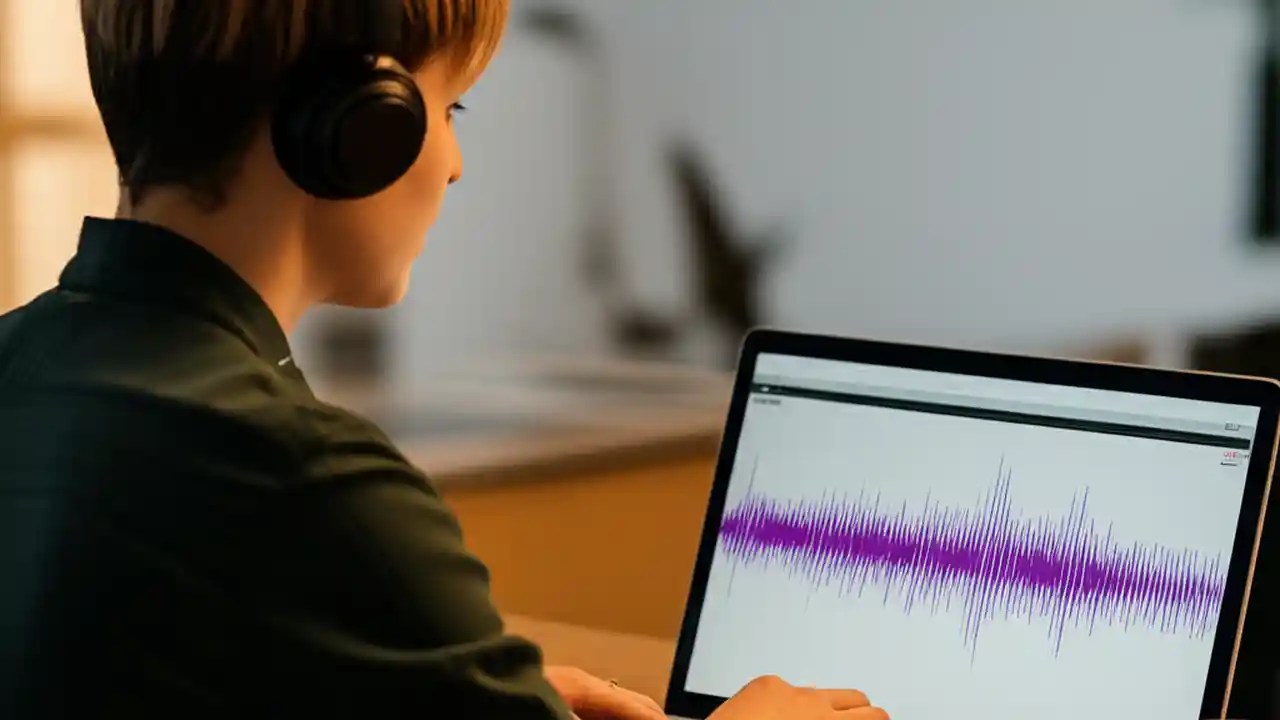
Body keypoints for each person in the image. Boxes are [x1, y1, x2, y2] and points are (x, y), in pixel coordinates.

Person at [0, 2, 889, 718]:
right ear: (359, 125)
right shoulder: (309, 479)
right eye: (449, 107)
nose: (457, 165)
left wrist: (445, 683)